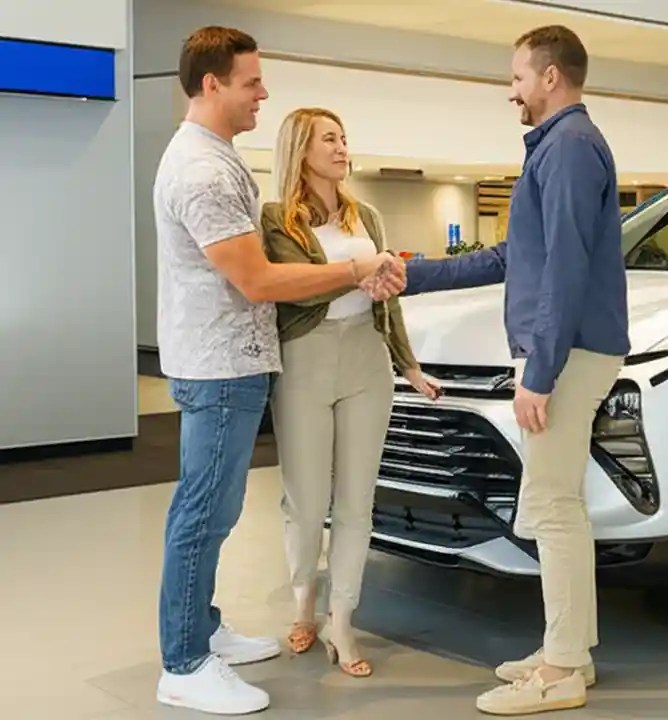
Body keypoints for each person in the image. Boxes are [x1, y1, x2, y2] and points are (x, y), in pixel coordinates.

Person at [371, 24, 629, 716]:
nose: (509, 89)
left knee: (551, 507)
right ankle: (567, 650)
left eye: (517, 76)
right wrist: (414, 273)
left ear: (550, 77)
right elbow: (512, 259)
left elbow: (568, 271)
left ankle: (564, 668)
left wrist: (539, 372)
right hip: (565, 353)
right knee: (557, 504)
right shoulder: (554, 151)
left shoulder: (571, 148)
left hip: (568, 358)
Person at [152, 27, 401, 715]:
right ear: (211, 84)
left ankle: (201, 631)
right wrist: (354, 269)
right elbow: (257, 280)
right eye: (251, 81)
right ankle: (184, 661)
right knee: (203, 515)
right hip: (220, 365)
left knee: (218, 510)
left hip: (240, 362)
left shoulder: (216, 158)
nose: (263, 92)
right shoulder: (202, 172)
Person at [260, 107, 442, 679]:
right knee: (307, 502)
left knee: (358, 501)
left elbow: (387, 298)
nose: (341, 148)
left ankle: (342, 619)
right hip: (306, 358)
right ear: (301, 150)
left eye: (343, 138)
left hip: (366, 357)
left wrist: (408, 366)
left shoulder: (367, 216)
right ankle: (303, 603)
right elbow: (295, 293)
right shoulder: (276, 220)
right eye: (328, 139)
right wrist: (360, 270)